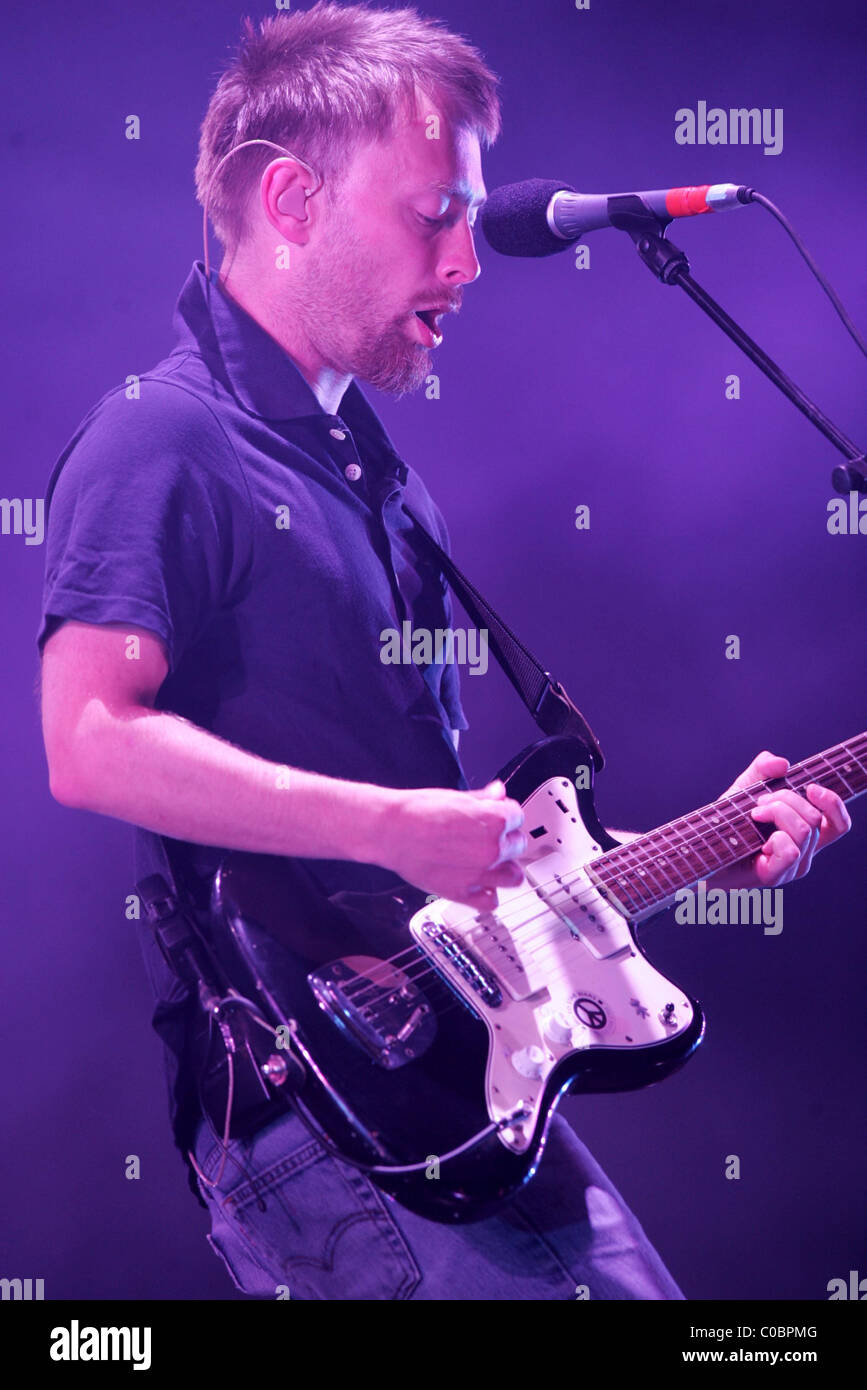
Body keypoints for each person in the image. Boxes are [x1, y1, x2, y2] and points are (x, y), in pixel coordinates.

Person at [37, 3, 850, 1300]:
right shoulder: (164, 442)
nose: (471, 262)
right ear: (293, 198)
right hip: (324, 1110)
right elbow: (86, 741)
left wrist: (715, 837)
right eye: (435, 214)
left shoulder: (386, 484)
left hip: (444, 1094)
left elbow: (477, 875)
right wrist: (391, 825)